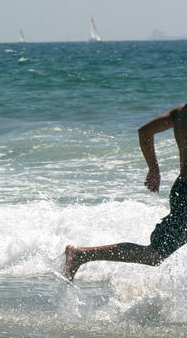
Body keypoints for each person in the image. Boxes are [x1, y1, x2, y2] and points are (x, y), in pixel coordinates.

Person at [64, 104, 187, 281]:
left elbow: (145, 132)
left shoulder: (180, 113)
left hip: (181, 189)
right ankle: (81, 254)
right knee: (154, 254)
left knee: (155, 254)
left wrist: (154, 169)